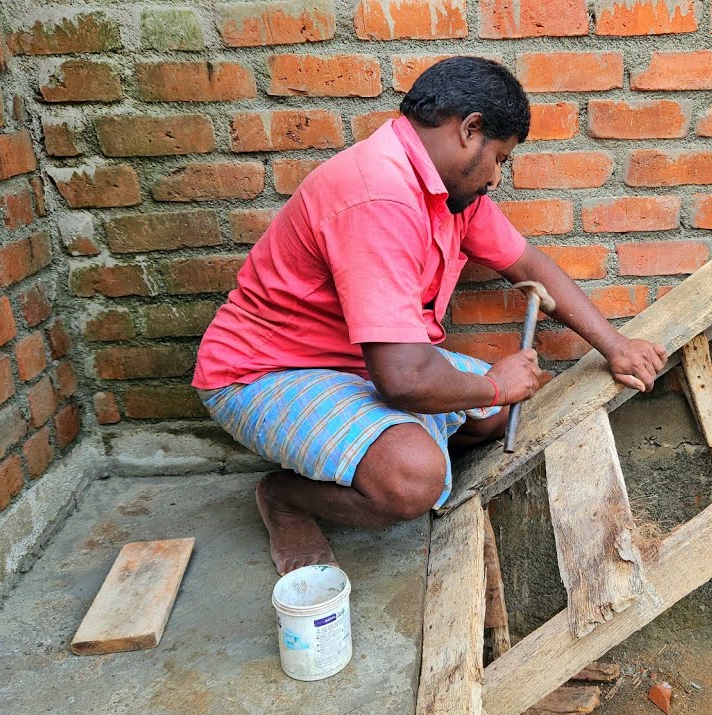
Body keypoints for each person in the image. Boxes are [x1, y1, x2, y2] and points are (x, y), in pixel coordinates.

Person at [193, 57, 668, 575]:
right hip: (264, 374)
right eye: (501, 159)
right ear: (471, 129)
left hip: (358, 362)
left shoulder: (450, 195)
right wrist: (493, 386)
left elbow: (528, 264)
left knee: (497, 417)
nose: (496, 177)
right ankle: (285, 495)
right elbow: (403, 377)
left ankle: (383, 449)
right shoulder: (378, 194)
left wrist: (615, 346)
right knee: (414, 476)